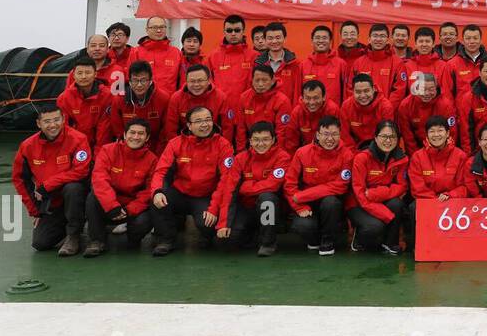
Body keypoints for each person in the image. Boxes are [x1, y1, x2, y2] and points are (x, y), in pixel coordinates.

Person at [149, 105, 235, 256]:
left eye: (208, 120)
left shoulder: (223, 144)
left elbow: (226, 180)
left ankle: (206, 237)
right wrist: (157, 191)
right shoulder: (175, 143)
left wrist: (214, 209)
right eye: (199, 121)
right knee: (158, 200)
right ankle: (166, 240)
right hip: (180, 192)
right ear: (189, 125)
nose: (205, 124)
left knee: (208, 225)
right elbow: (161, 171)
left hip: (206, 196)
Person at [11, 103, 92, 256]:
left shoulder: (78, 139)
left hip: (76, 196)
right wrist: (34, 211)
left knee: (73, 188)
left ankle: (74, 236)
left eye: (56, 120)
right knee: (40, 243)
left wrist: (47, 185)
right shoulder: (27, 146)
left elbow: (81, 171)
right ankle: (66, 226)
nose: (53, 125)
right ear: (38, 124)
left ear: (63, 119)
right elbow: (19, 179)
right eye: (47, 121)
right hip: (52, 202)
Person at [213, 121, 292, 257]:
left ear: (273, 140)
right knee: (226, 242)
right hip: (246, 208)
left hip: (272, 209)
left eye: (266, 139)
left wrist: (243, 188)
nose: (261, 144)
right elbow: (230, 191)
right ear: (250, 141)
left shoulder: (283, 157)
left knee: (267, 198)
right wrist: (223, 223)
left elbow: (272, 185)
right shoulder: (240, 159)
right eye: (256, 140)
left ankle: (268, 243)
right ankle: (253, 234)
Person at [84, 118, 158, 256]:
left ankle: (133, 239)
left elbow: (148, 190)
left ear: (147, 137)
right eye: (132, 132)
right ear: (124, 134)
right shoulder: (108, 150)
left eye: (141, 134)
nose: (136, 137)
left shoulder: (152, 159)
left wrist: (130, 210)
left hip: (131, 208)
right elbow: (100, 179)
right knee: (93, 197)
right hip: (110, 205)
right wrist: (112, 206)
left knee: (146, 216)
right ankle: (97, 241)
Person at [286, 116, 353, 255]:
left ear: (340, 134)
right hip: (307, 205)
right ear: (317, 134)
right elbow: (289, 184)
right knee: (302, 226)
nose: (330, 139)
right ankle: (314, 240)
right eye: (326, 134)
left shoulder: (347, 155)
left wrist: (302, 196)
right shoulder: (302, 153)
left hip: (331, 206)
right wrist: (299, 206)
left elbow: (340, 186)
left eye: (334, 134)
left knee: (331, 202)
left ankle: (328, 241)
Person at [348, 120, 410, 254]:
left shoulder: (402, 159)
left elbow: (402, 186)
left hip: (376, 197)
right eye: (384, 136)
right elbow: (359, 194)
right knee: (375, 226)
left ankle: (390, 243)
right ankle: (358, 239)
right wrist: (386, 214)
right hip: (358, 204)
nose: (388, 141)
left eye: (392, 137)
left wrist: (377, 193)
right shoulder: (361, 158)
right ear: (375, 137)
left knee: (397, 204)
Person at [102, 59, 171, 155]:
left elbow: (165, 133)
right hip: (127, 147)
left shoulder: (163, 99)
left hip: (154, 149)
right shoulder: (119, 99)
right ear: (129, 81)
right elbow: (118, 132)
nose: (139, 85)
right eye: (135, 80)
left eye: (143, 80)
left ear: (151, 80)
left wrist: (156, 156)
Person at [231, 63, 297, 152]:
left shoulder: (282, 101)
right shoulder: (244, 98)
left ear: (273, 80)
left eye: (264, 80)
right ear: (252, 80)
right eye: (257, 80)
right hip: (251, 147)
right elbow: (241, 129)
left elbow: (282, 133)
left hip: (273, 149)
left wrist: (279, 156)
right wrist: (241, 151)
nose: (260, 84)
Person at [164, 63, 234, 145]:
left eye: (200, 80)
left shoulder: (220, 97)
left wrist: (223, 147)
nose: (196, 85)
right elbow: (171, 129)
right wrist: (176, 149)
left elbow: (227, 128)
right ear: (186, 81)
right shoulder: (176, 98)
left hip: (213, 144)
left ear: (208, 81)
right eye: (192, 81)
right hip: (185, 145)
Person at [408, 115, 473, 200]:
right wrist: (436, 200)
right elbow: (417, 188)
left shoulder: (460, 156)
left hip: (453, 202)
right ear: (426, 135)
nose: (436, 135)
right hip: (427, 203)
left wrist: (450, 195)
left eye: (440, 130)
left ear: (447, 133)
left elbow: (465, 186)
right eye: (432, 131)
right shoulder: (417, 157)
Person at [396, 72, 456, 153]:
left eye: (431, 89)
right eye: (423, 89)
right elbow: (408, 138)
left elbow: (452, 133)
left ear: (436, 88)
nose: (427, 93)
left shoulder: (446, 105)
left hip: (442, 150)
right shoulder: (406, 106)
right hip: (417, 152)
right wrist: (418, 157)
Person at [352, 23, 407, 107]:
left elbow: (399, 91)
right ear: (369, 39)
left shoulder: (397, 63)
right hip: (361, 111)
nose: (378, 39)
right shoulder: (358, 62)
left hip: (386, 111)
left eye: (382, 36)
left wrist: (386, 108)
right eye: (375, 36)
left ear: (387, 40)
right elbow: (350, 89)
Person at [56, 60, 108, 147]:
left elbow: (104, 128)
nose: (83, 77)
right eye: (79, 73)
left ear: (95, 74)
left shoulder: (106, 95)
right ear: (73, 75)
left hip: (98, 143)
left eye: (88, 73)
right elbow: (64, 128)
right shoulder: (64, 98)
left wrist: (99, 153)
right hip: (74, 143)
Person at [339, 73, 395, 149]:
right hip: (356, 149)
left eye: (366, 91)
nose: (363, 95)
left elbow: (386, 137)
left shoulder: (385, 107)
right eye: (358, 92)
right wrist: (355, 155)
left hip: (379, 149)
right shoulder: (346, 106)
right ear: (353, 92)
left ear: (373, 89)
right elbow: (345, 137)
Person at [207, 15, 254, 102]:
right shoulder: (212, 57)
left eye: (237, 30)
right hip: (221, 106)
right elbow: (208, 84)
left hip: (247, 107)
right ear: (224, 32)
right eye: (229, 30)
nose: (233, 33)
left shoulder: (254, 56)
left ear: (243, 31)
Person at [301, 25, 347, 107]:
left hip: (332, 114)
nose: (321, 41)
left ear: (330, 41)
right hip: (309, 113)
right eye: (317, 38)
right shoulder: (303, 65)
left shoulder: (341, 64)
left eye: (324, 38)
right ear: (312, 41)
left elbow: (345, 93)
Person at [258, 21, 302, 103]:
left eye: (278, 38)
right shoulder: (257, 63)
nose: (274, 41)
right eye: (270, 38)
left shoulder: (295, 64)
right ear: (265, 40)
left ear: (284, 39)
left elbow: (297, 93)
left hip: (287, 111)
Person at [404, 26, 453, 100]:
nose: (424, 44)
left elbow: (446, 94)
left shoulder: (443, 66)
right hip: (413, 109)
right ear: (415, 44)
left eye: (427, 41)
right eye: (421, 41)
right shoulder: (407, 66)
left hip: (437, 109)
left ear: (433, 44)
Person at [137, 16, 183, 95]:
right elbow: (130, 80)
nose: (159, 30)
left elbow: (182, 81)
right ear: (147, 30)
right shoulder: (136, 52)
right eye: (154, 27)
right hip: (144, 102)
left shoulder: (176, 52)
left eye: (162, 27)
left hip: (169, 102)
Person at [448, 24, 487, 98]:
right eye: (468, 38)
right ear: (463, 41)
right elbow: (448, 94)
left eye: (475, 38)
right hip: (462, 109)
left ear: (481, 40)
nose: (472, 41)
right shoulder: (452, 64)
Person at [293, 79, 335, 147]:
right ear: (302, 98)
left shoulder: (332, 110)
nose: (312, 102)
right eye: (308, 98)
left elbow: (339, 138)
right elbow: (291, 141)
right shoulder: (297, 112)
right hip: (305, 152)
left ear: (324, 97)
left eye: (316, 98)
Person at [104, 21, 136, 93]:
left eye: (120, 35)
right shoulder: (103, 56)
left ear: (127, 38)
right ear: (108, 38)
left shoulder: (135, 54)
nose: (116, 38)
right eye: (113, 35)